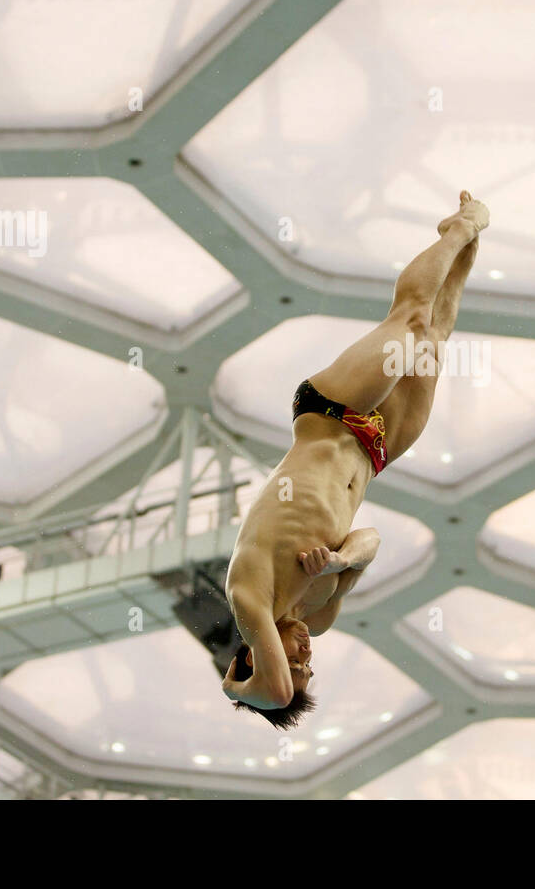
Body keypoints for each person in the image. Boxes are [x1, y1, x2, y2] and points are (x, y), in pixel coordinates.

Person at [222, 191, 490, 729]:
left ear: (255, 657)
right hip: (377, 450)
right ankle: (470, 244)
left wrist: (235, 688)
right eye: (308, 672)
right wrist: (342, 563)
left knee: (410, 322)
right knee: (434, 339)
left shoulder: (249, 596)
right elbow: (369, 544)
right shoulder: (318, 614)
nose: (304, 660)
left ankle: (459, 228)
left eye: (292, 666)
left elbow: (273, 695)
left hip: (331, 413)